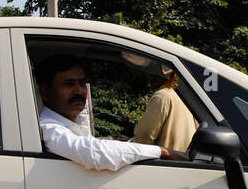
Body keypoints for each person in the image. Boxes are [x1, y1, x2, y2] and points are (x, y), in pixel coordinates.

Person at [36, 55, 187, 169]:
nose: (79, 91)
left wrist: (125, 143)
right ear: (45, 92)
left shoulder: (71, 125)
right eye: (69, 84)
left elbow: (93, 145)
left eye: (82, 83)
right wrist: (162, 152)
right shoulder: (48, 128)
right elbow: (94, 153)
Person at [133, 69, 199, 153]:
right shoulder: (181, 96)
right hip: (181, 157)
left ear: (169, 77)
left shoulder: (162, 96)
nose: (150, 77)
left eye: (156, 74)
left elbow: (145, 135)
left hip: (164, 158)